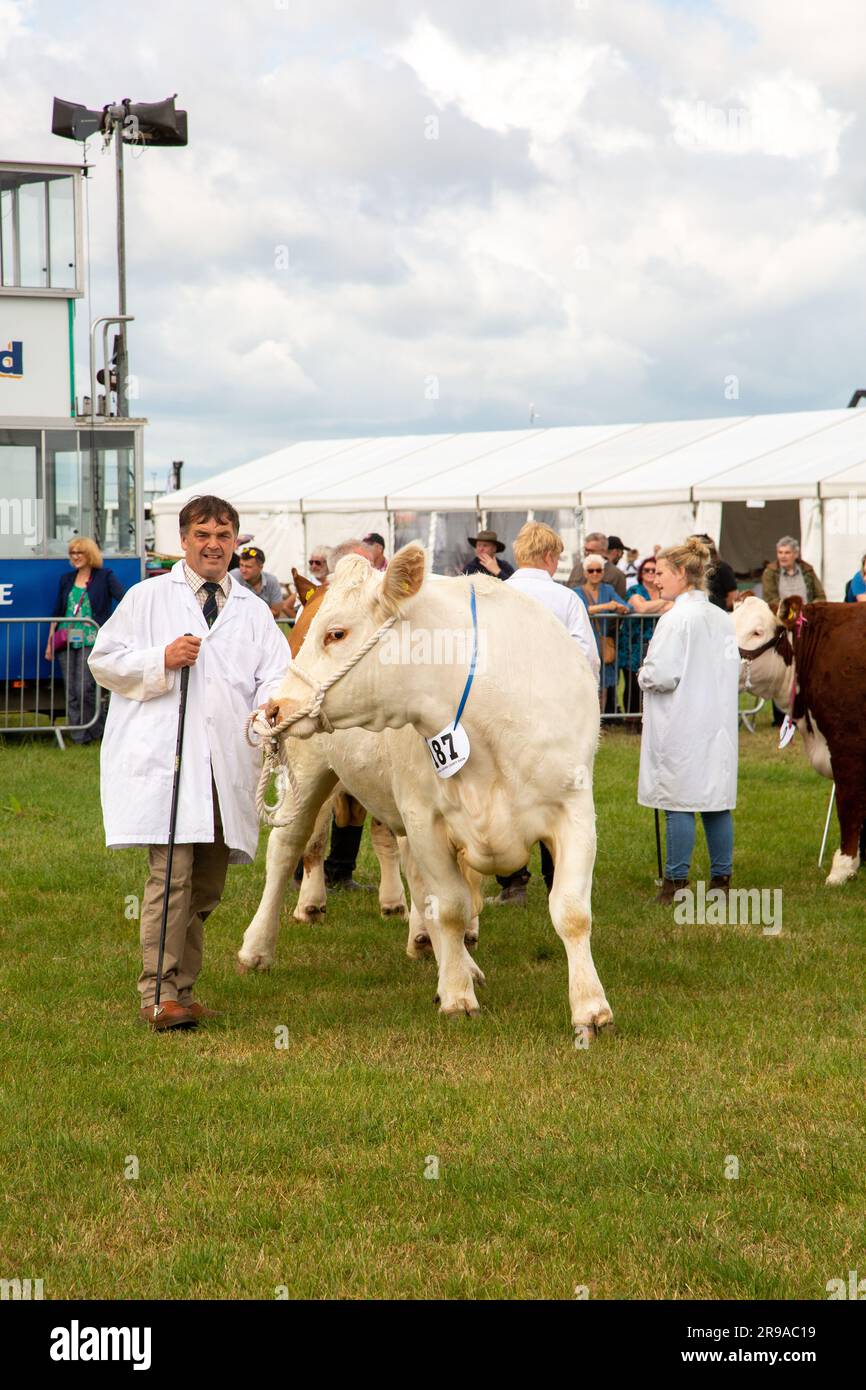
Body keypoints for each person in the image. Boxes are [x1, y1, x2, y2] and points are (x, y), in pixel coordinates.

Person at [88, 495, 292, 1032]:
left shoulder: (250, 610)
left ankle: (183, 988)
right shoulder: (148, 597)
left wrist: (273, 700)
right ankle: (157, 995)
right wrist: (161, 659)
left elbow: (275, 671)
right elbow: (103, 661)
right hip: (169, 766)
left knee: (206, 888)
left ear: (235, 543)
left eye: (224, 535)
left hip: (225, 768)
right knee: (172, 879)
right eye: (203, 534)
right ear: (184, 541)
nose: (214, 544)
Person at [489, 521, 600, 906]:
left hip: (501, 710)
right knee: (557, 792)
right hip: (552, 713)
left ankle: (513, 879)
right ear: (551, 557)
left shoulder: (496, 595)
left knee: (504, 791)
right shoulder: (566, 599)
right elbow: (586, 656)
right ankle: (558, 877)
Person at [637, 538, 739, 904]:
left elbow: (662, 674)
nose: (657, 580)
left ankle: (675, 883)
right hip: (718, 722)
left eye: (662, 573)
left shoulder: (675, 619)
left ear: (682, 573)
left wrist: (642, 674)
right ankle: (721, 881)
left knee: (678, 800)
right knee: (715, 800)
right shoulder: (722, 618)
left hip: (682, 723)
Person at [45, 538, 125, 744]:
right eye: (72, 553)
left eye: (79, 552)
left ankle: (95, 730)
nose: (75, 557)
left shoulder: (104, 576)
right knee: (71, 690)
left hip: (91, 640)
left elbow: (124, 600)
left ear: (90, 554)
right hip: (66, 640)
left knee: (85, 688)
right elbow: (57, 611)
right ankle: (78, 734)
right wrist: (49, 643)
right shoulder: (67, 579)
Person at [574, 557, 632, 714]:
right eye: (591, 570)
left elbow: (626, 606)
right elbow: (583, 609)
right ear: (585, 573)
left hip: (603, 642)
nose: (595, 574)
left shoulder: (608, 590)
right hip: (584, 642)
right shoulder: (577, 592)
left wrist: (620, 608)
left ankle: (601, 721)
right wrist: (608, 606)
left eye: (598, 570)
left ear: (603, 572)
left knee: (604, 683)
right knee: (585, 682)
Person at [618, 556, 671, 725]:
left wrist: (652, 606)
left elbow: (671, 607)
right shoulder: (634, 590)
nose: (650, 573)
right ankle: (632, 720)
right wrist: (663, 602)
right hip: (633, 643)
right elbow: (640, 608)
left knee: (654, 682)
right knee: (633, 684)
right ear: (641, 573)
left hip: (658, 644)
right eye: (646, 570)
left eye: (654, 570)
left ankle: (649, 721)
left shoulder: (664, 589)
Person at [761, 536, 826, 613]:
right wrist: (790, 612)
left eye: (787, 552)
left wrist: (810, 609)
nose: (783, 556)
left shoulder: (807, 570)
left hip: (807, 616)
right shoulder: (770, 572)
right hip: (781, 617)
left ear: (795, 554)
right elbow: (770, 599)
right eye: (780, 552)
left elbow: (821, 596)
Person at [566, 531, 628, 598]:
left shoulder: (617, 575)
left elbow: (619, 603)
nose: (586, 553)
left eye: (591, 551)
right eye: (585, 550)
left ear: (604, 551)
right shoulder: (577, 568)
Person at [691, 533, 738, 611]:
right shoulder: (691, 569)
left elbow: (733, 595)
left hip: (719, 612)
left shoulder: (722, 567)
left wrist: (721, 611)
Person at [234, 545, 284, 616]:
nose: (243, 570)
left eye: (248, 567)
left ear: (261, 567)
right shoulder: (233, 576)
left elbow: (276, 612)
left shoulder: (272, 581)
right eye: (241, 565)